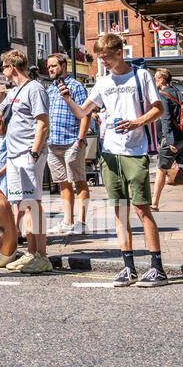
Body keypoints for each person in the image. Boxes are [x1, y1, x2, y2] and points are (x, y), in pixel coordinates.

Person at [57, 33, 168, 286]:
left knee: (141, 209)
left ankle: (157, 267)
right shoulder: (103, 83)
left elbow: (158, 109)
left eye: (106, 58)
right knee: (120, 210)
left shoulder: (141, 76)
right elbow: (82, 111)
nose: (103, 62)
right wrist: (67, 99)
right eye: (100, 58)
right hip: (110, 152)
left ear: (120, 53)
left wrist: (136, 122)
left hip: (135, 152)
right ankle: (128, 266)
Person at [0, 49, 52, 274]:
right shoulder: (15, 92)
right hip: (14, 154)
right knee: (21, 204)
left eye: (4, 67)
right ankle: (31, 253)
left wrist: (34, 153)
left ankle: (41, 255)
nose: (2, 71)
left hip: (27, 153)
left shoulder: (34, 89)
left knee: (32, 205)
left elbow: (42, 123)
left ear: (12, 67)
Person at [43, 53, 91, 236]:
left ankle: (82, 222)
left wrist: (80, 140)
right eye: (49, 67)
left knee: (79, 181)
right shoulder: (50, 89)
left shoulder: (76, 86)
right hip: (54, 142)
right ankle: (67, 221)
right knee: (63, 183)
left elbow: (85, 113)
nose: (51, 69)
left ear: (64, 65)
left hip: (72, 141)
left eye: (54, 66)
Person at [150, 68, 183, 212]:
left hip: (172, 139)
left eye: (156, 79)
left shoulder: (163, 95)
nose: (155, 82)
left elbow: (166, 118)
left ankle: (154, 202)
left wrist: (168, 140)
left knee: (161, 170)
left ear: (162, 80)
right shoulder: (179, 93)